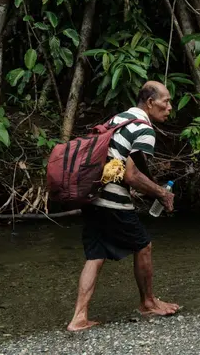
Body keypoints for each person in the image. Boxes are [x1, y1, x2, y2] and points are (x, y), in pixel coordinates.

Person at [66, 80, 181, 332]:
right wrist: (162, 193)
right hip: (111, 199)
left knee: (95, 255)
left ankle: (78, 317)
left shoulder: (120, 118)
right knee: (143, 245)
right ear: (150, 103)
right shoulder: (144, 128)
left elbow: (119, 162)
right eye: (166, 101)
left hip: (91, 196)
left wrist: (146, 188)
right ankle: (148, 303)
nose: (170, 107)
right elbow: (131, 174)